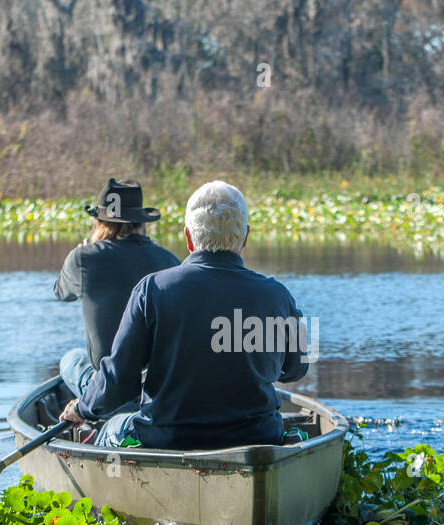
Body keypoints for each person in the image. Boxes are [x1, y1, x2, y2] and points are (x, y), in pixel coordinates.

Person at [59, 180, 310, 449]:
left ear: (188, 237)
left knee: (111, 426)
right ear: (245, 236)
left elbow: (119, 382)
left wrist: (83, 410)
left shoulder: (150, 290)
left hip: (166, 438)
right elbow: (297, 368)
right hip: (257, 438)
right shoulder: (278, 295)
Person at [53, 178, 179, 398]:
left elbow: (61, 292)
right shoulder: (170, 261)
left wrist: (79, 253)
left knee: (71, 358)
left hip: (107, 387)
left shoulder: (84, 258)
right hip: (157, 388)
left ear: (100, 223)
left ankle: (86, 410)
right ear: (141, 222)